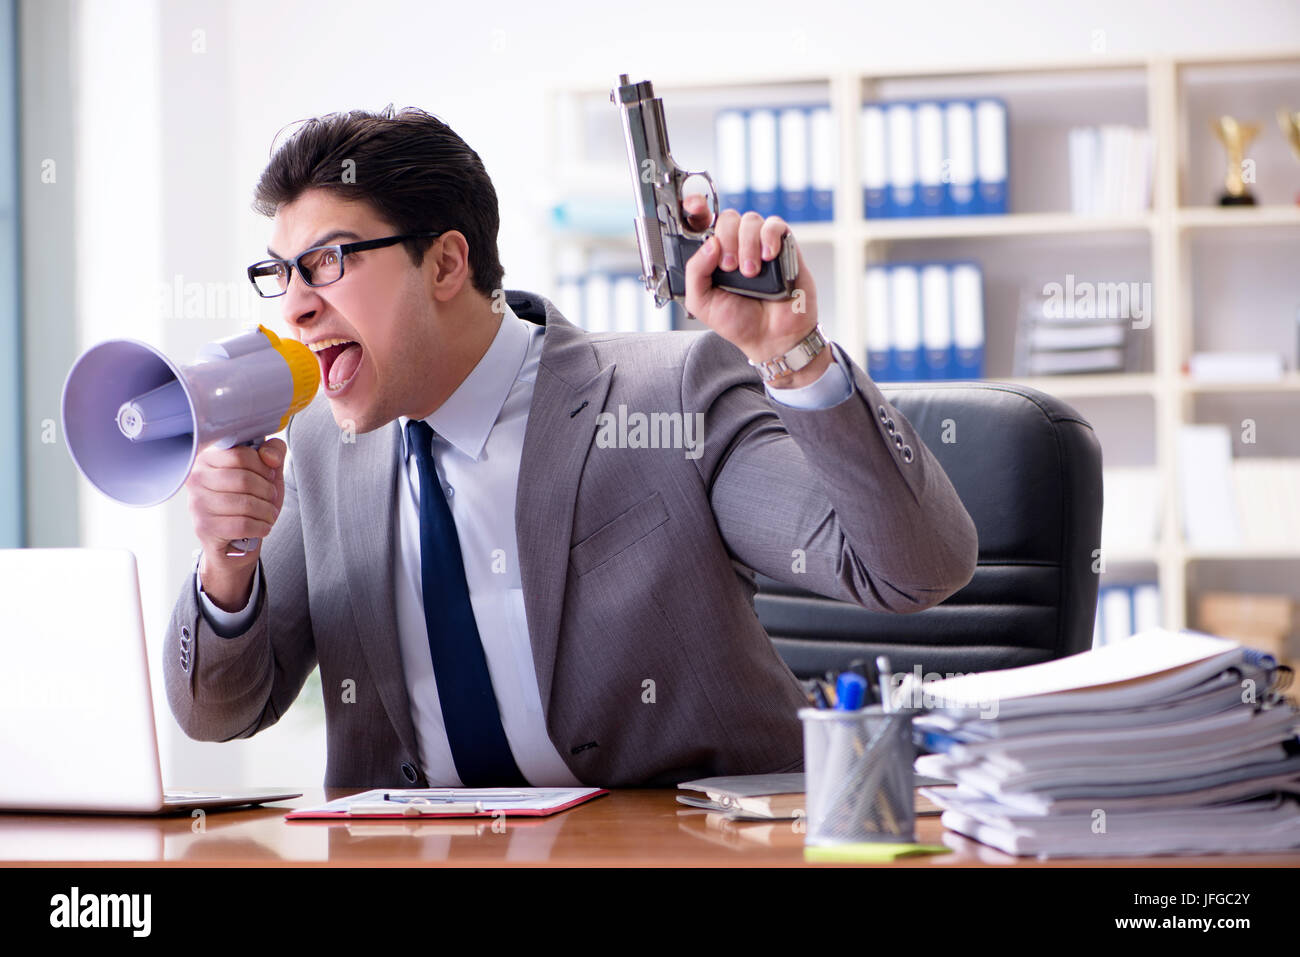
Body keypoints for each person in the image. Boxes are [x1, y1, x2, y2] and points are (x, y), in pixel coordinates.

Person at [163, 106, 977, 789]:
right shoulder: (315, 448)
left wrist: (794, 354)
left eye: (328, 262)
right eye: (280, 274)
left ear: (446, 262)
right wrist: (226, 564)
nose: (296, 308)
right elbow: (219, 712)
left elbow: (913, 569)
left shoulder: (668, 396)